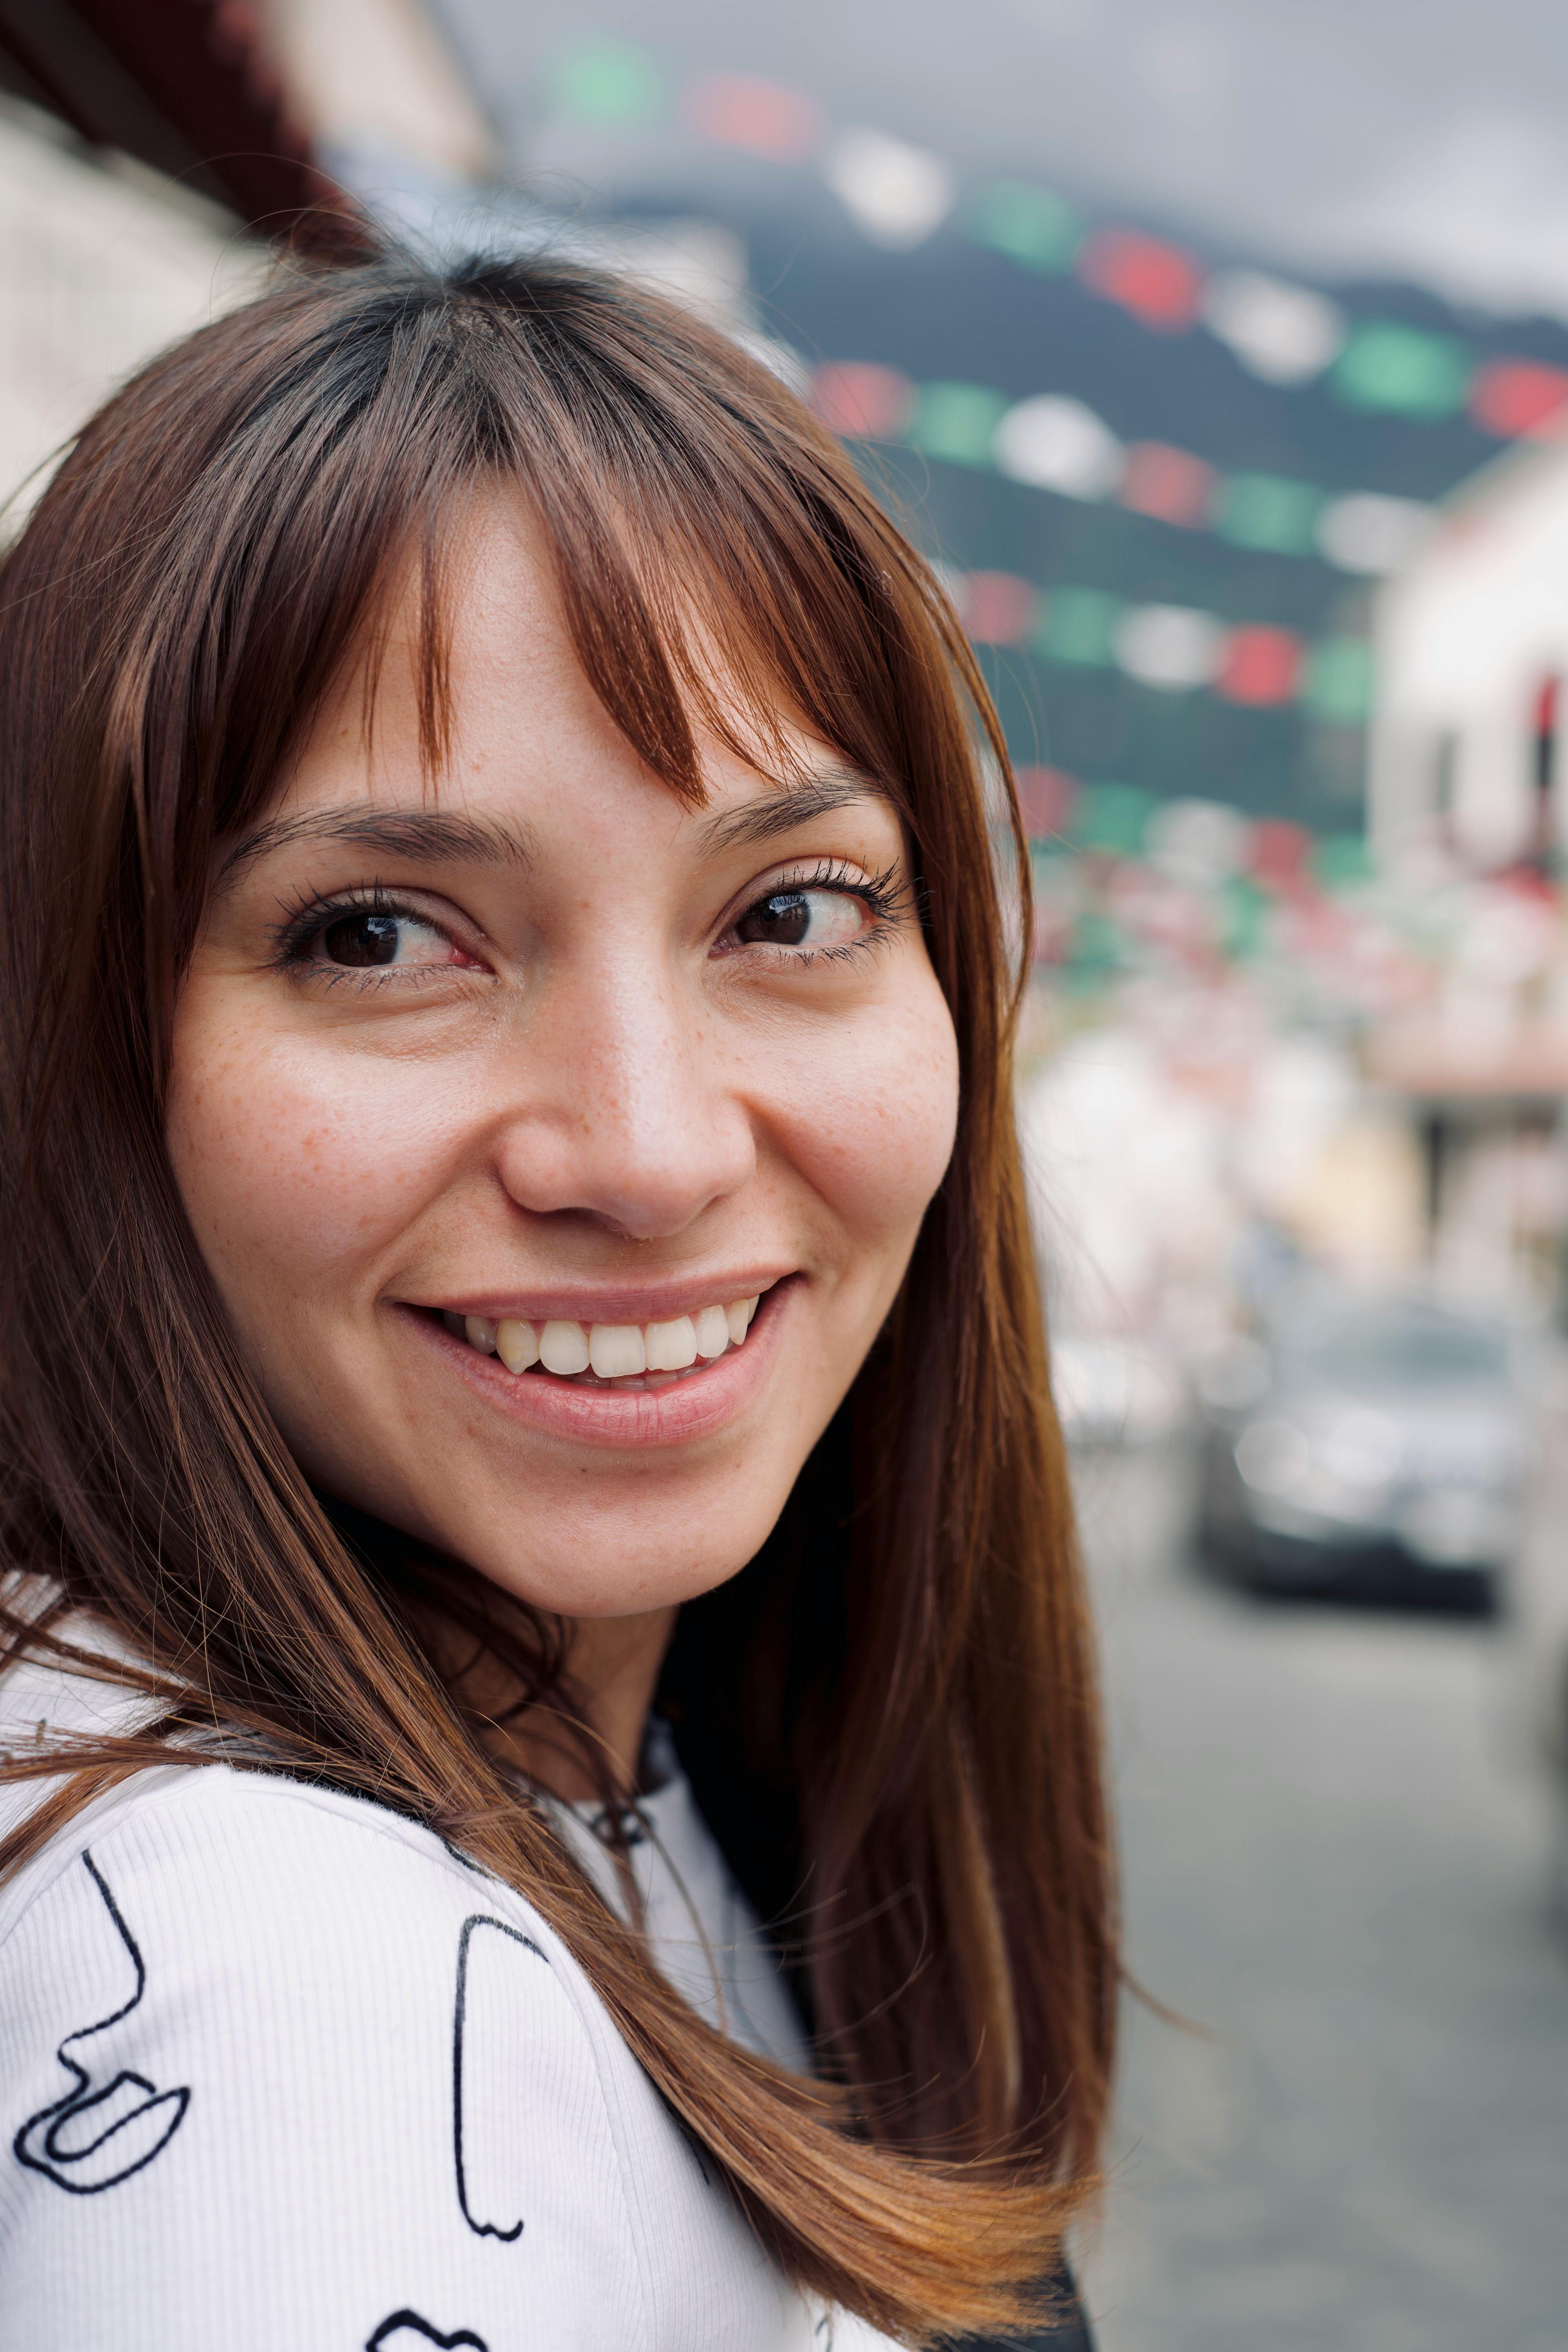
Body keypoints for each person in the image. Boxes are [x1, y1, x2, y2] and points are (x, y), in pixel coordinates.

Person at [0, 248, 1113, 2350]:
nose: (650, 1148)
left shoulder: (681, 1765)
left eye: (792, 910)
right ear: (67, 1042)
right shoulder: (277, 1987)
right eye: (375, 936)